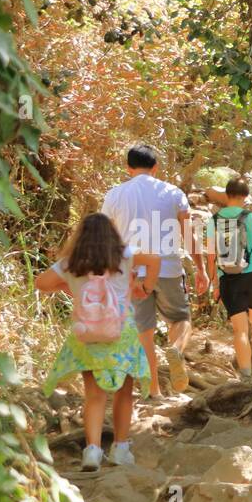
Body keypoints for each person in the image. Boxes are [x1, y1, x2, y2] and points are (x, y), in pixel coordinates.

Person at [37, 214, 159, 471]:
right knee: (125, 393)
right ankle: (120, 449)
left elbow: (41, 283)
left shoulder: (70, 262)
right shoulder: (125, 255)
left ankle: (92, 451)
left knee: (93, 395)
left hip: (87, 334)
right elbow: (156, 259)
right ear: (111, 235)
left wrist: (69, 286)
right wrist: (143, 286)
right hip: (121, 333)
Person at [100, 144, 203, 397]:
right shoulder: (173, 193)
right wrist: (201, 268)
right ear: (156, 167)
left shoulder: (114, 195)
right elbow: (190, 235)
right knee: (181, 319)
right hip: (167, 268)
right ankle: (176, 349)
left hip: (131, 273)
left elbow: (105, 238)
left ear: (128, 168)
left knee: (144, 331)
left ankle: (153, 391)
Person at [204, 176, 252, 380]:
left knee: (240, 330)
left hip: (229, 279)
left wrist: (214, 282)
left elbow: (211, 255)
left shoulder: (213, 220)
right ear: (245, 196)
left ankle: (246, 377)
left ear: (227, 194)